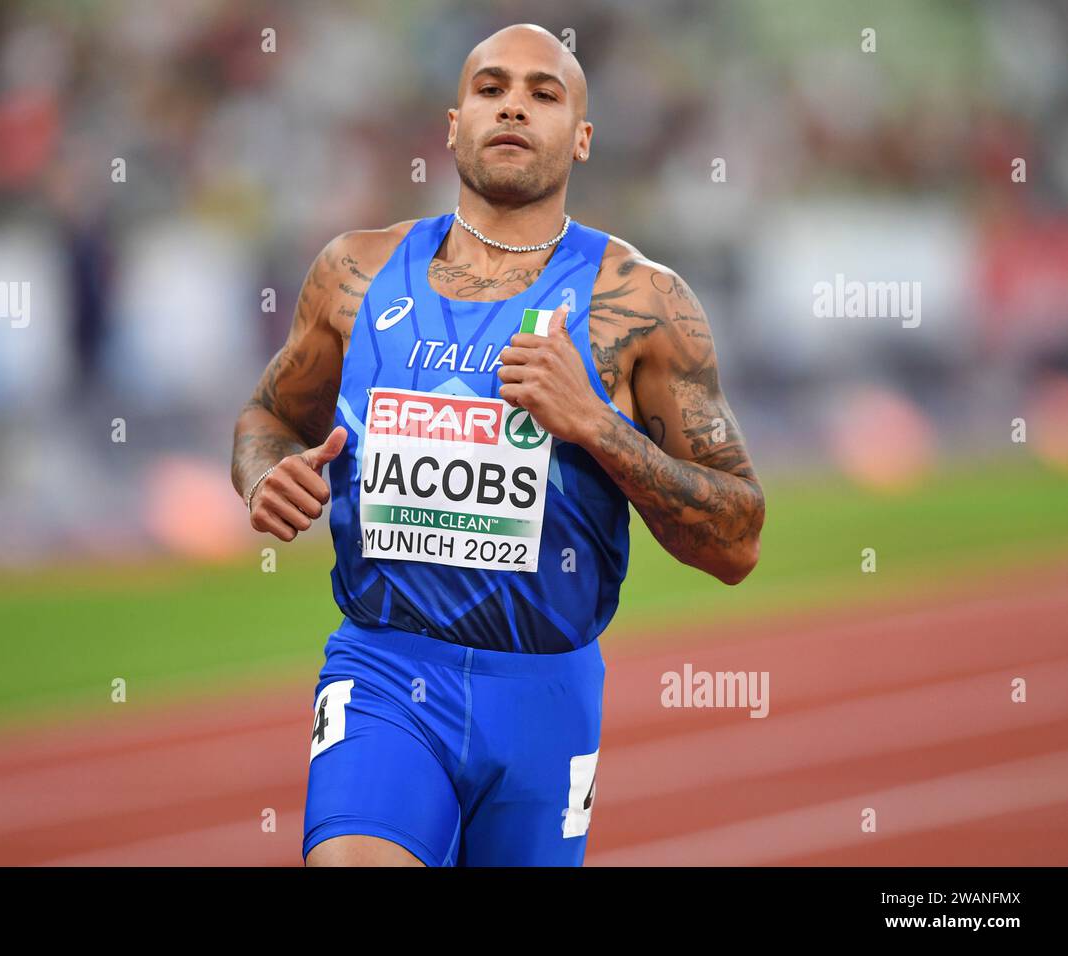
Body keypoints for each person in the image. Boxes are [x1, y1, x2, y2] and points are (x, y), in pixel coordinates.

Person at [231, 23, 764, 867]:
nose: (514, 104)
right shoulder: (354, 273)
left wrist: (595, 424)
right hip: (384, 669)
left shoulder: (641, 302)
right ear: (453, 124)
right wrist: (266, 477)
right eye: (491, 88)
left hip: (546, 695)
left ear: (581, 137)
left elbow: (738, 538)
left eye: (544, 94)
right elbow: (266, 416)